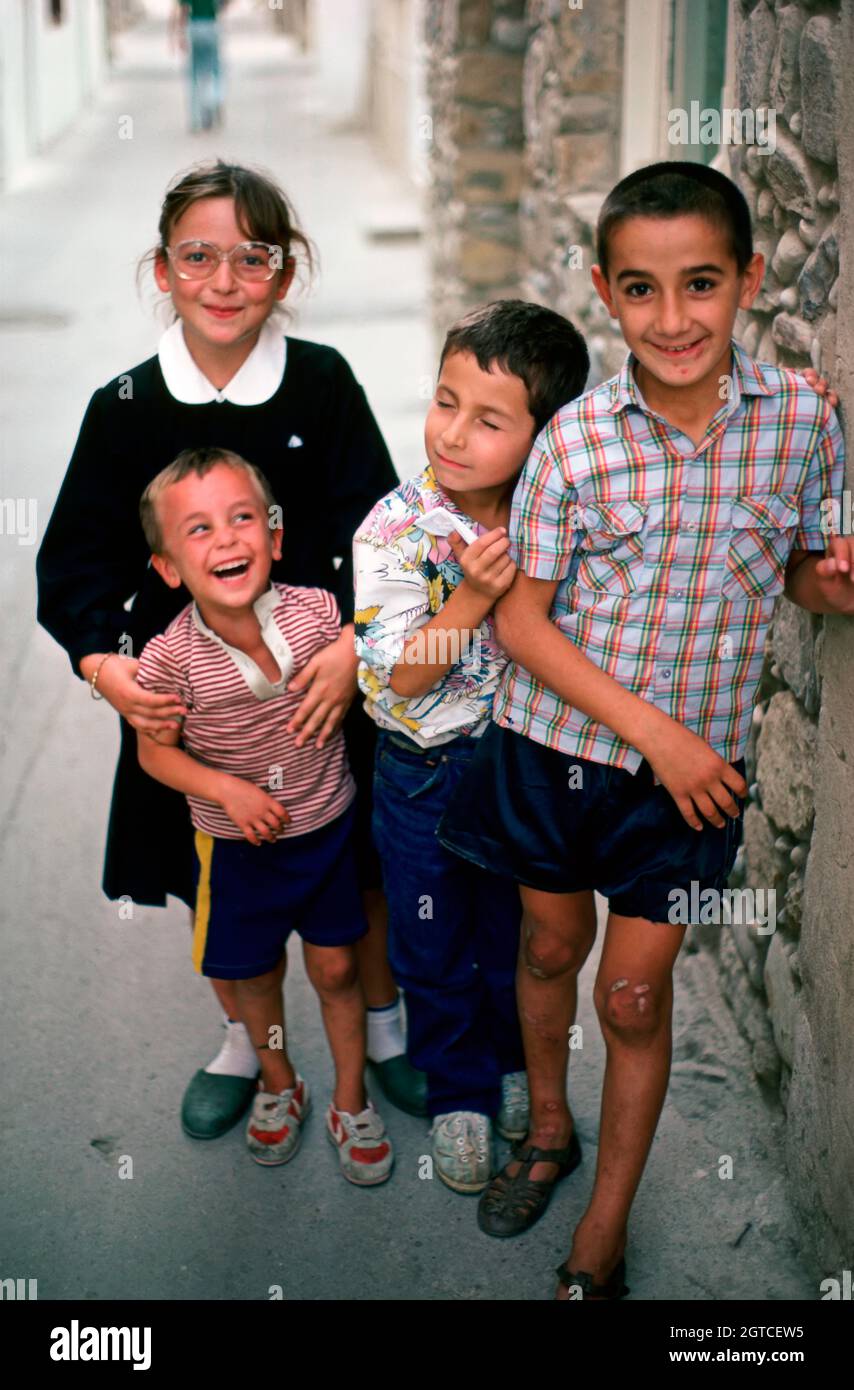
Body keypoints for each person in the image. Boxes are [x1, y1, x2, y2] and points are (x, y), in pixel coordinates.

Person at [437, 162, 853, 1297]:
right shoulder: (572, 444)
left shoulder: (803, 422)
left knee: (629, 996)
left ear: (749, 280)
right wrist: (655, 736)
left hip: (688, 782)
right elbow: (520, 623)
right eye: (641, 289)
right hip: (550, 752)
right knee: (547, 950)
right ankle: (548, 1128)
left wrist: (829, 581)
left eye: (700, 283)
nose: (673, 318)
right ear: (603, 290)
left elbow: (801, 571)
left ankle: (602, 1235)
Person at [36, 159, 426, 1146]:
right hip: (190, 704)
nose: (223, 280)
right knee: (209, 875)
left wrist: (355, 648)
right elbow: (74, 563)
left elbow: (384, 537)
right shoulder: (124, 405)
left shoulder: (322, 383)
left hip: (322, 693)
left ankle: (384, 1029)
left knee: (359, 870)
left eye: (252, 258)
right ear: (161, 270)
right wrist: (105, 665)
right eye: (197, 257)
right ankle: (247, 1044)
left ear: (284, 272)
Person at [354, 300, 590, 1192]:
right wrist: (472, 597)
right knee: (431, 943)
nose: (452, 433)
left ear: (542, 434)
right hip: (422, 776)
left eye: (488, 420)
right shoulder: (392, 530)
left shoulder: (550, 513)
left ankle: (516, 1068)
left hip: (521, 768)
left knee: (514, 936)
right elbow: (406, 679)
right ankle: (458, 1093)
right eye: (445, 401)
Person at [134, 447, 393, 1183]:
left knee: (338, 968)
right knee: (256, 975)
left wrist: (354, 648)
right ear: (169, 568)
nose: (226, 538)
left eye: (242, 518)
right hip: (237, 849)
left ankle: (350, 1099)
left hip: (327, 830)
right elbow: (155, 756)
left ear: (275, 538)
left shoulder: (318, 614)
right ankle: (280, 1084)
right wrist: (225, 789)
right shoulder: (168, 660)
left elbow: (380, 632)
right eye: (199, 529)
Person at [172, 0, 226, 134]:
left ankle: (195, 119)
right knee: (215, 70)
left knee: (193, 76)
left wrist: (181, 34)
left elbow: (184, 9)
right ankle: (215, 98)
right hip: (212, 26)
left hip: (194, 27)